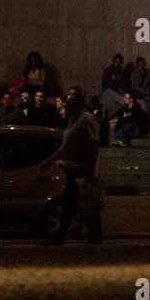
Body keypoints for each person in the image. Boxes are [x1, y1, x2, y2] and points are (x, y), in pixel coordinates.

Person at [44, 94, 102, 244]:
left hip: (81, 168)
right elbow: (65, 145)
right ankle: (92, 235)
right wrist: (51, 160)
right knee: (73, 203)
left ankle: (90, 235)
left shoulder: (86, 119)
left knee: (81, 202)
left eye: (68, 104)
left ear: (77, 105)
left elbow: (93, 144)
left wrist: (90, 169)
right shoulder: (72, 120)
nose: (65, 107)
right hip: (70, 167)